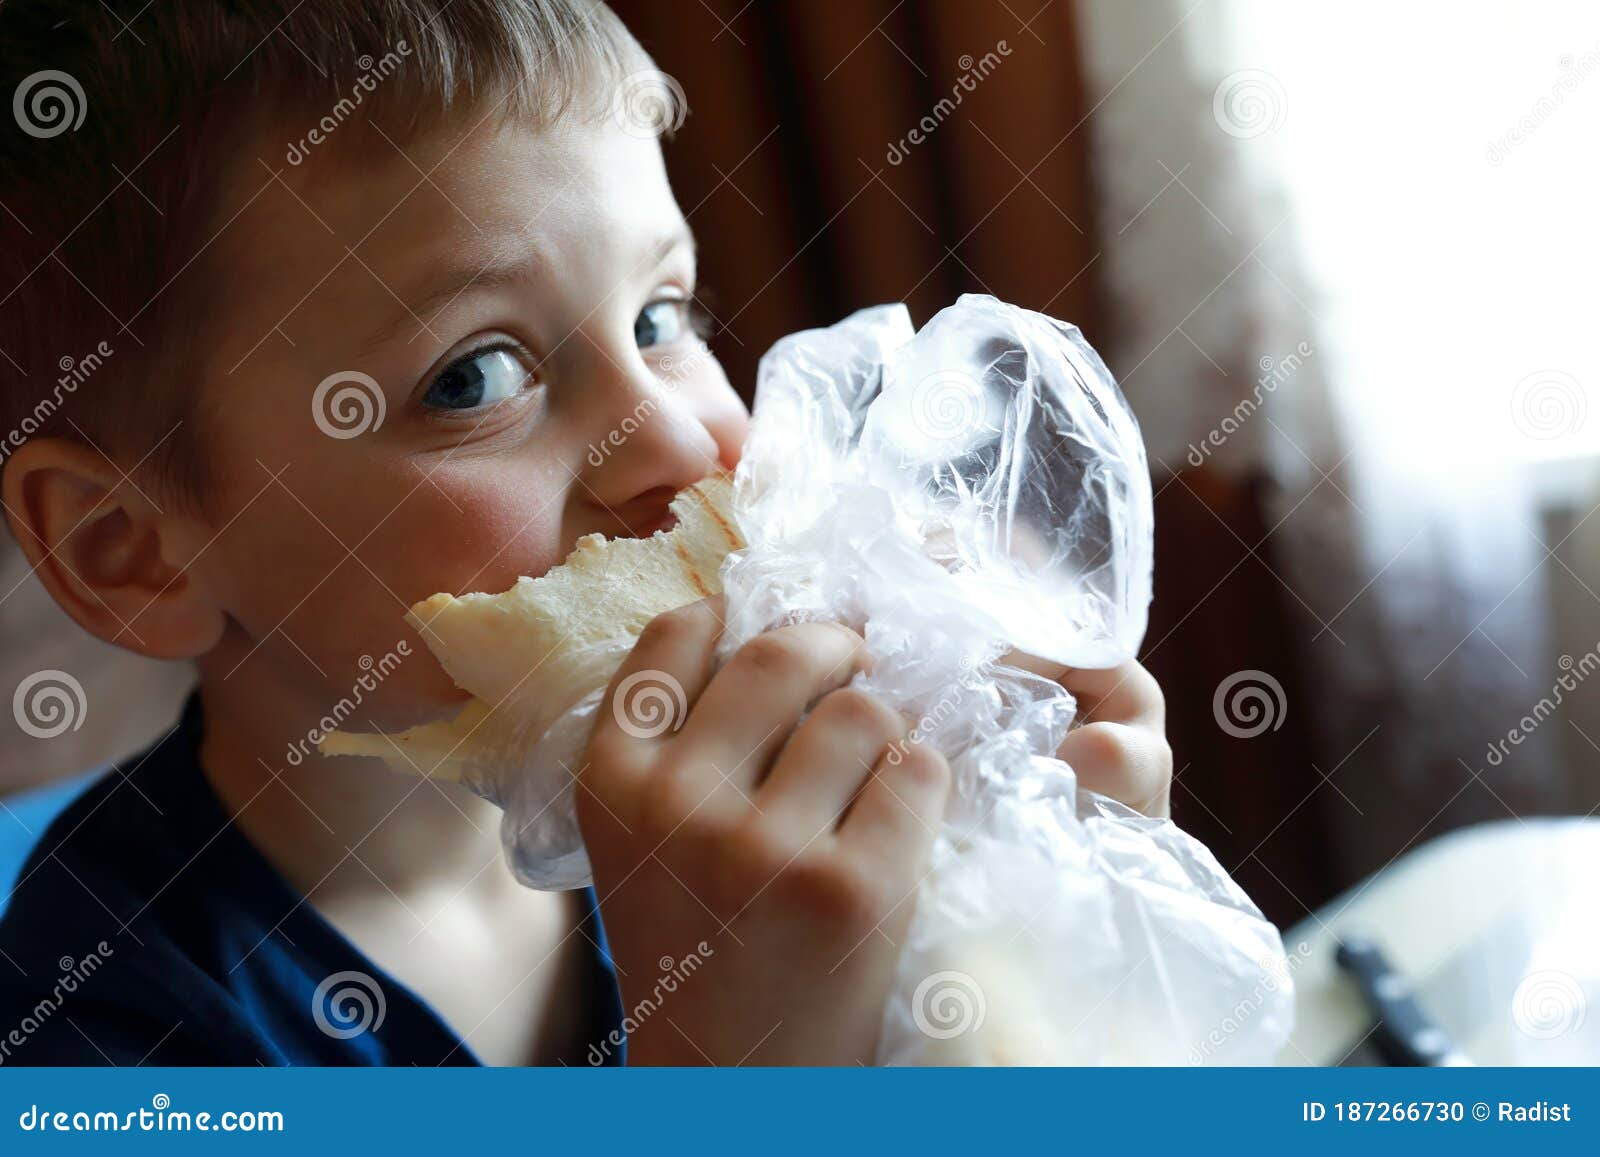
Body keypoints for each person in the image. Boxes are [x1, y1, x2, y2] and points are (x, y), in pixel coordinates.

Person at [0, 0, 1172, 1065]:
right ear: (132, 549)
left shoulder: (785, 765)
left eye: (662, 314)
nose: (675, 443)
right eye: (473, 377)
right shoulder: (101, 1032)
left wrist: (1062, 911)